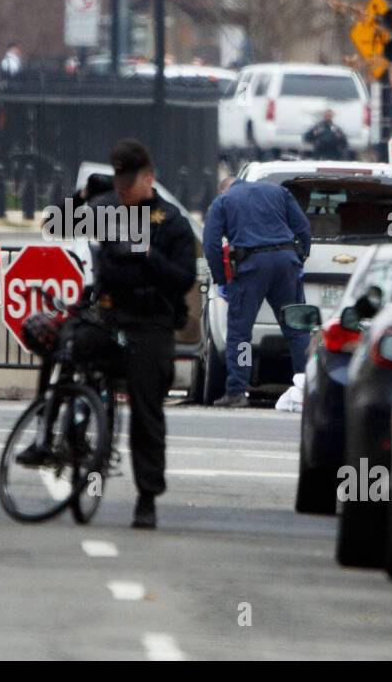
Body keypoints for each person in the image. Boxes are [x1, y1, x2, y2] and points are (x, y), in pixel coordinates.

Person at [87, 139, 196, 530]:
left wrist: (147, 257)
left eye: (128, 184)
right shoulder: (109, 211)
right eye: (118, 183)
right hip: (112, 318)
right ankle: (61, 432)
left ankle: (147, 496)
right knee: (65, 346)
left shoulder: (172, 222)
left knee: (146, 412)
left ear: (148, 179)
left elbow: (182, 278)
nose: (122, 191)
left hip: (151, 325)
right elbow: (103, 262)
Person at [202, 177, 312, 408]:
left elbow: (211, 244)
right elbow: (303, 227)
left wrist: (222, 279)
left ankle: (237, 390)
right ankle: (307, 389)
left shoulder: (223, 201)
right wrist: (300, 257)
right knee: (297, 330)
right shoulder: (278, 192)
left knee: (240, 334)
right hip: (285, 262)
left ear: (224, 188)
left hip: (250, 267)